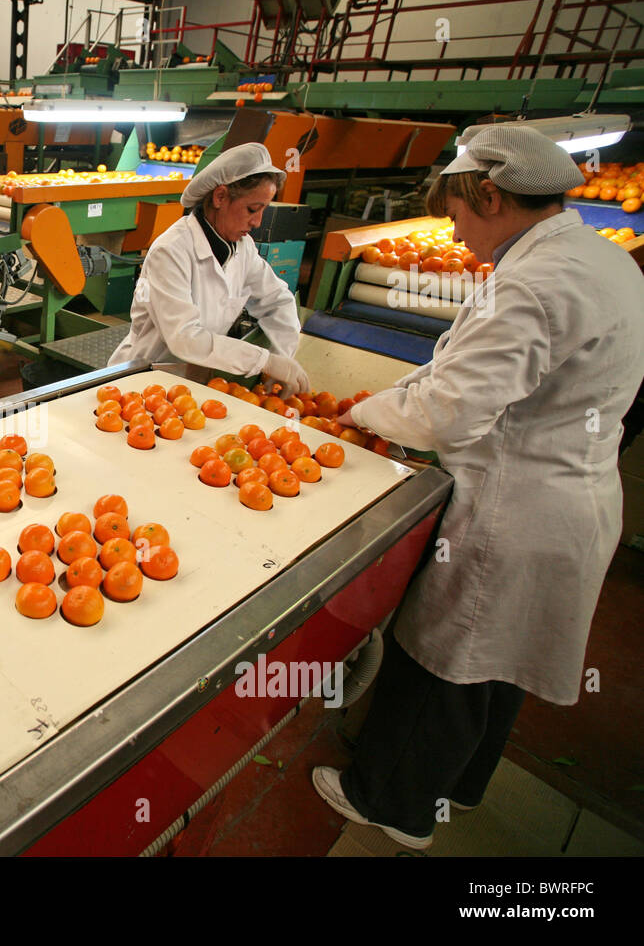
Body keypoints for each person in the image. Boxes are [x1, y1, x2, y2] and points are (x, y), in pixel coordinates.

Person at [312, 125, 644, 849]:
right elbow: (465, 375)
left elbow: (446, 410)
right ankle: (459, 784)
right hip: (574, 496)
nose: (457, 233)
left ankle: (393, 805)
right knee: (506, 662)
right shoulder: (597, 257)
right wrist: (401, 392)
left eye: (458, 215)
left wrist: (360, 412)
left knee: (451, 657)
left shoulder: (532, 283)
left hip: (515, 505)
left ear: (490, 193)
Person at [108, 142, 309, 398]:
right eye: (252, 209)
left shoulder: (243, 248)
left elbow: (278, 300)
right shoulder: (171, 251)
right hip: (144, 381)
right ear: (220, 197)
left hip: (194, 386)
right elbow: (185, 337)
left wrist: (282, 358)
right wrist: (263, 360)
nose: (257, 222)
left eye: (263, 211)